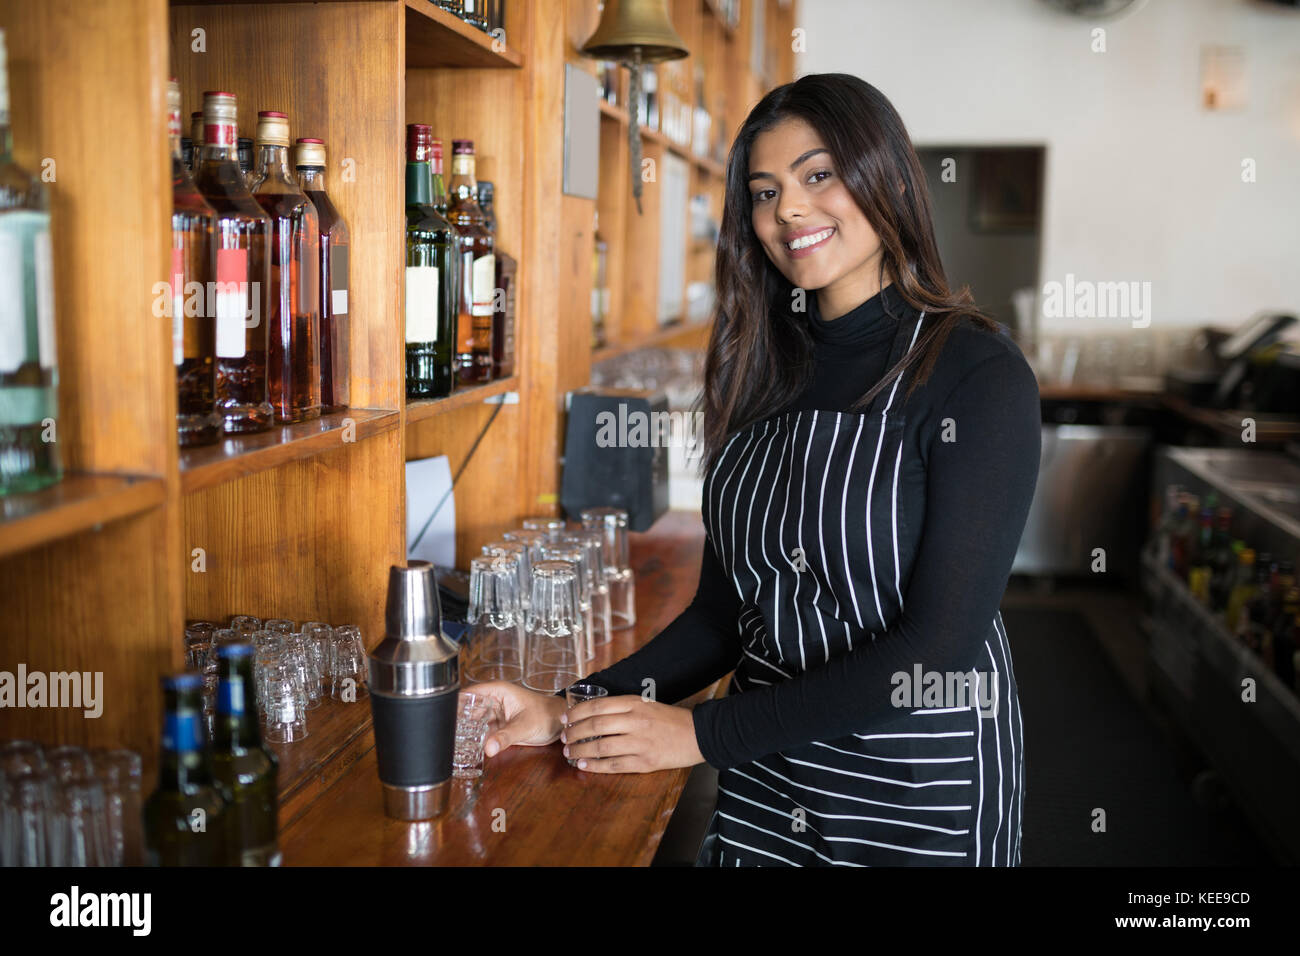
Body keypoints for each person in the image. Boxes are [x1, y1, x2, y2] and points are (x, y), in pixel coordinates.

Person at [472, 73, 1041, 866]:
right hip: (770, 775)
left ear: (887, 176)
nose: (790, 212)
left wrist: (698, 733)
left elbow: (937, 646)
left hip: (912, 792)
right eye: (765, 193)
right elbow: (721, 616)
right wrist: (569, 708)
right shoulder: (762, 371)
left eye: (818, 176)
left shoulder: (976, 373)